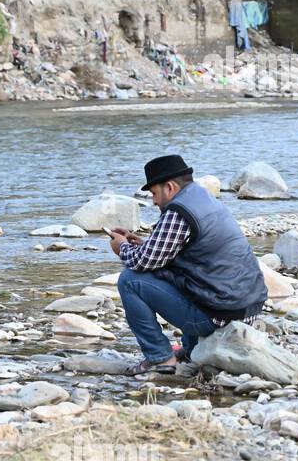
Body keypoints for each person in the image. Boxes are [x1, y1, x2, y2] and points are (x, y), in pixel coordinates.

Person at [108, 155, 268, 375]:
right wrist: (143, 243)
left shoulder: (178, 211)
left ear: (170, 187)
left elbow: (143, 262)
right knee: (172, 273)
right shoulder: (203, 198)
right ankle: (192, 350)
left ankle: (160, 358)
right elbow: (185, 253)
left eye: (154, 193)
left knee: (129, 280)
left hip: (221, 315)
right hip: (246, 308)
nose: (154, 201)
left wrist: (122, 248)